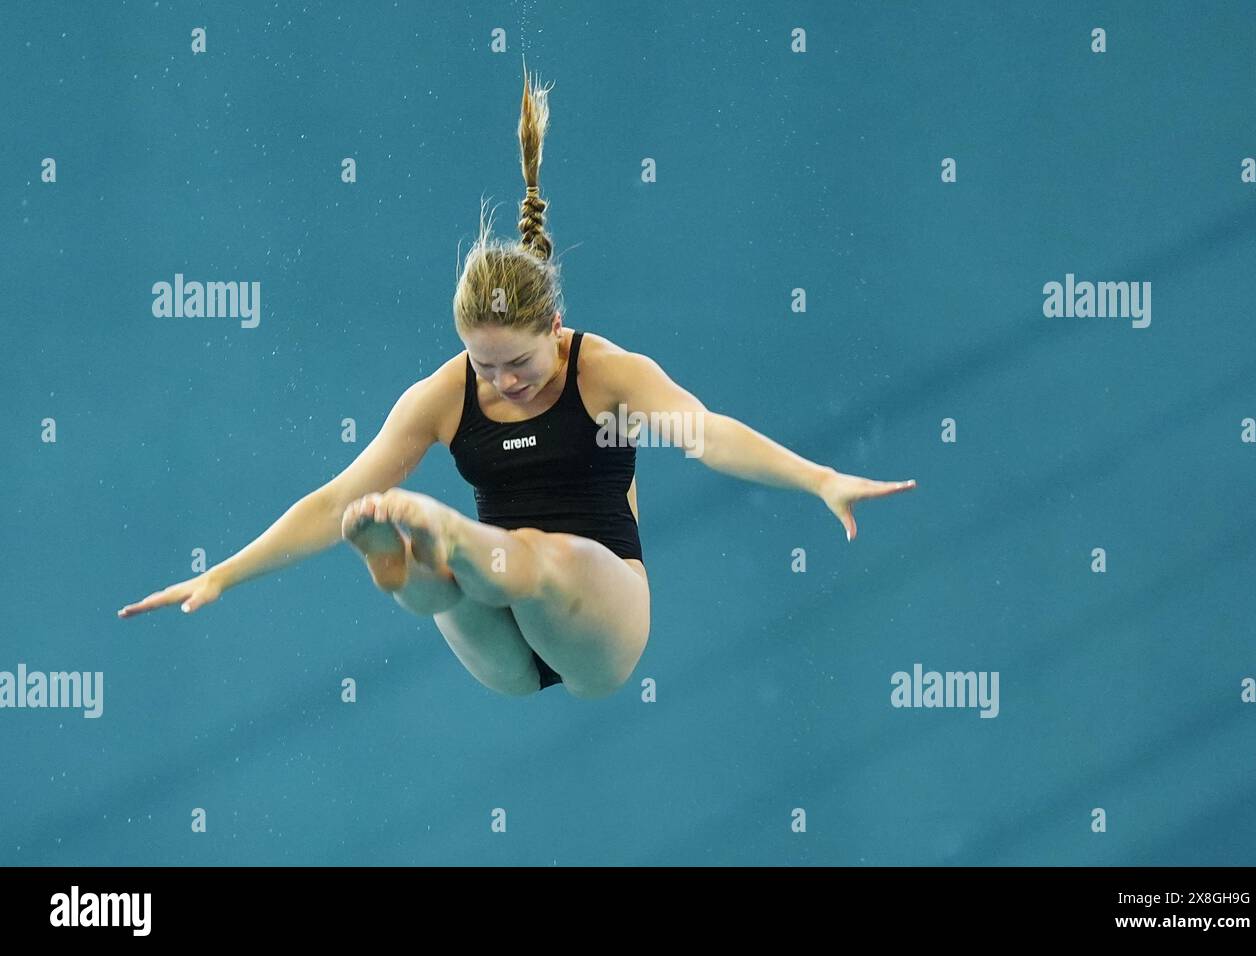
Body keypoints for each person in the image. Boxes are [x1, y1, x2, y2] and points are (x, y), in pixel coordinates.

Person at [118, 64, 917, 699]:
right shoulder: (442, 395)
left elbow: (708, 437)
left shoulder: (605, 373)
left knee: (525, 557)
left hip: (599, 613)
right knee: (436, 593)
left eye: (521, 365)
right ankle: (403, 560)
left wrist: (820, 480)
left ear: (556, 332)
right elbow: (333, 501)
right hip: (500, 637)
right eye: (484, 365)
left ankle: (444, 540)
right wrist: (223, 571)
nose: (502, 381)